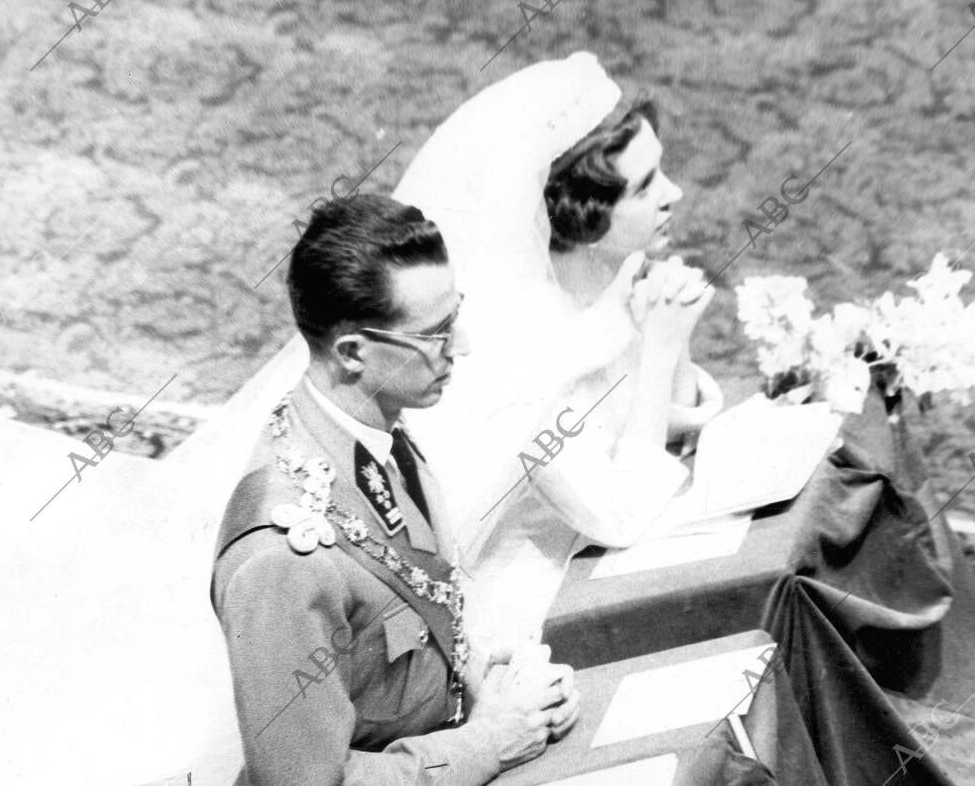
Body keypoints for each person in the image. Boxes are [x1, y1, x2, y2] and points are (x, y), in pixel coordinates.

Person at [211, 194, 580, 785]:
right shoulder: (280, 560)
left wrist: (494, 685)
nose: (462, 347)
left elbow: (396, 641)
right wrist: (487, 743)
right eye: (435, 334)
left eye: (454, 316)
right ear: (354, 353)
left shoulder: (373, 437)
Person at [393, 53, 724, 659]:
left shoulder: (601, 273)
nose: (674, 194)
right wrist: (660, 348)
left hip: (600, 517)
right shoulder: (522, 339)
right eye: (647, 185)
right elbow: (618, 515)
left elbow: (652, 427)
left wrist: (666, 340)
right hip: (512, 587)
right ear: (582, 210)